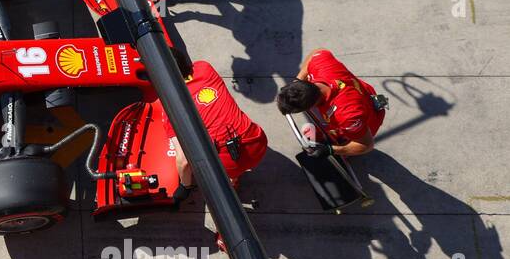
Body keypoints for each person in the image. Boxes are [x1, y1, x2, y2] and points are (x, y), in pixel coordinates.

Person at [163, 48, 267, 192]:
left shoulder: (171, 106)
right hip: (258, 141)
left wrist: (184, 186)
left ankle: (232, 180)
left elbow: (184, 161)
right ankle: (235, 176)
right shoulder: (204, 68)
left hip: (230, 163)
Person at [277, 49, 385, 158]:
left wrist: (331, 150)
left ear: (311, 106)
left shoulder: (348, 116)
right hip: (358, 95)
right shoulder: (321, 64)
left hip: (365, 119)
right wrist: (297, 81)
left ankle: (340, 146)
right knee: (315, 134)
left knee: (341, 151)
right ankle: (329, 136)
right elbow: (316, 53)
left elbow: (366, 145)